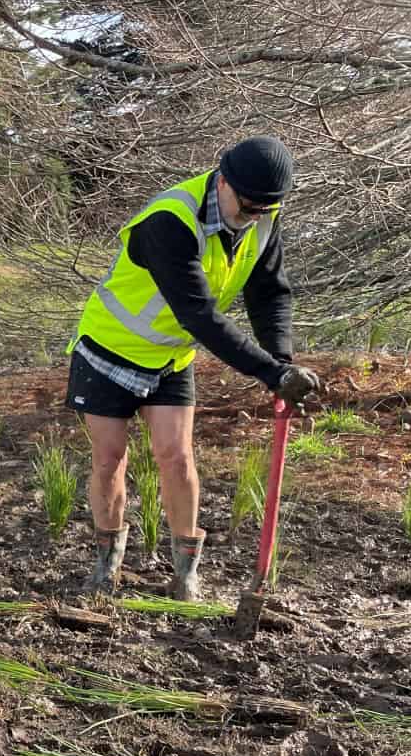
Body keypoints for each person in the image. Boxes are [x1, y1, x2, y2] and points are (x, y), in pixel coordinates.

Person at [66, 135, 321, 599]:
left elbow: (269, 293)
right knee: (110, 458)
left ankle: (185, 574)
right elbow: (198, 314)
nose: (256, 216)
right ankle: (107, 566)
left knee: (177, 457)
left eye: (267, 208)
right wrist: (268, 372)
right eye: (248, 206)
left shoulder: (263, 215)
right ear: (223, 180)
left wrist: (282, 364)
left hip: (169, 356)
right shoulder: (170, 220)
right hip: (108, 349)